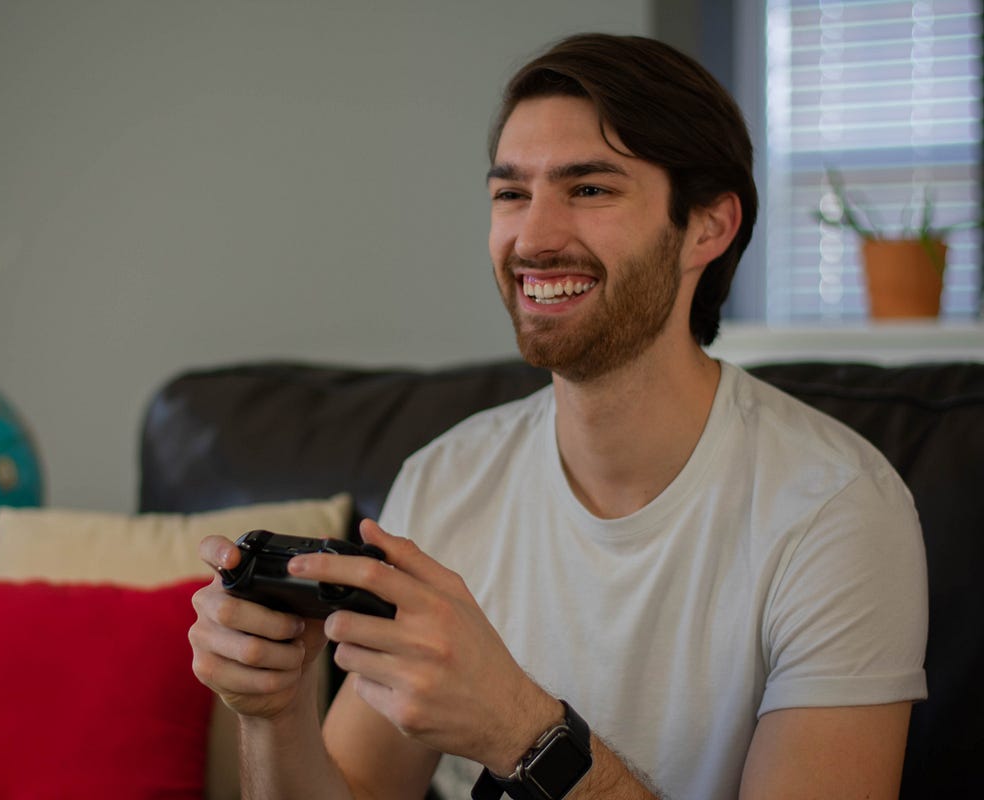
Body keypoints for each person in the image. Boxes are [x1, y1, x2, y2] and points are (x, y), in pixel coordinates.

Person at [189, 33, 928, 800]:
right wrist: (274, 714)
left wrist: (519, 726)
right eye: (511, 194)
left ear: (708, 226)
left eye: (590, 189)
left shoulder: (838, 511)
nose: (533, 239)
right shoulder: (445, 480)